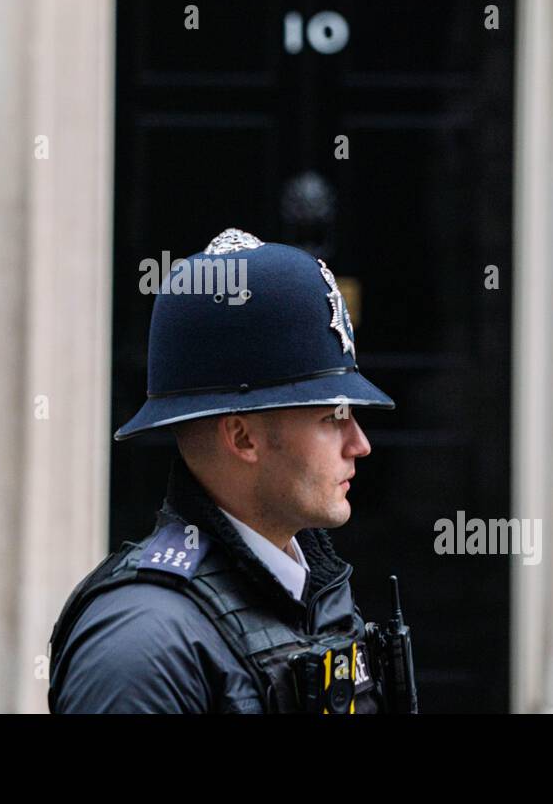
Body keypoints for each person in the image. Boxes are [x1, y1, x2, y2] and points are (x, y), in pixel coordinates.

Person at [47, 228, 396, 713]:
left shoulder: (315, 591)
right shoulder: (140, 644)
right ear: (242, 438)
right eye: (332, 417)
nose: (360, 444)